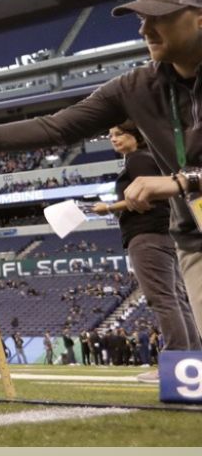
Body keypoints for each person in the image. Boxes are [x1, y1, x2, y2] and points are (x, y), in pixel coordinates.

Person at [0, 0, 202, 342]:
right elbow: (58, 127)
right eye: (142, 18)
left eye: (160, 17)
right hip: (194, 237)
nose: (145, 30)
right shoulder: (135, 87)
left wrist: (182, 180)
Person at [92, 121, 201, 382]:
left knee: (162, 297)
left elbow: (146, 199)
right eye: (110, 135)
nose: (114, 139)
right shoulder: (148, 158)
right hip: (162, 235)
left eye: (119, 134)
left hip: (147, 235)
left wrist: (107, 208)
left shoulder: (137, 160)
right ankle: (191, 360)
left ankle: (175, 360)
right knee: (175, 297)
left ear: (137, 137)